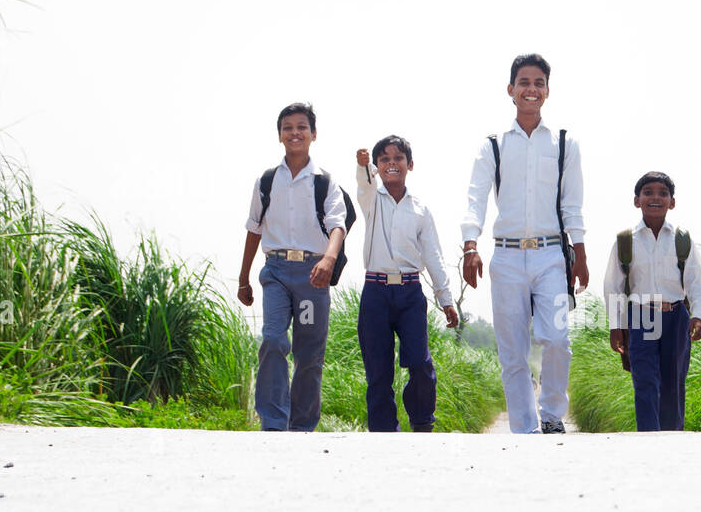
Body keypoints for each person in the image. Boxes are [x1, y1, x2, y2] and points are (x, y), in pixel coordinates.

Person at [461, 53, 588, 434]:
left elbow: (572, 202)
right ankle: (524, 429)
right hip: (507, 257)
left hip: (552, 255)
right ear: (511, 90)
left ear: (547, 91)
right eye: (524, 83)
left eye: (538, 83)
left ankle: (551, 416)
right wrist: (470, 245)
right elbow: (475, 197)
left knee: (558, 339)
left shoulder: (564, 143)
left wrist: (579, 255)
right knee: (512, 352)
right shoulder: (493, 146)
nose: (531, 90)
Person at [237, 102, 347, 431]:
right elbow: (254, 228)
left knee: (308, 352)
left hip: (312, 278)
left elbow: (337, 226)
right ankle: (273, 423)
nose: (295, 132)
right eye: (288, 127)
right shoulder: (267, 181)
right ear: (280, 136)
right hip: (277, 275)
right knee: (273, 339)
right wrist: (243, 278)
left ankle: (301, 427)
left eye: (302, 127)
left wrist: (328, 259)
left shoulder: (325, 183)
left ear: (313, 134)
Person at [354, 136, 459, 432]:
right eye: (384, 159)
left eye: (398, 158)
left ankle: (422, 423)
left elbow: (433, 255)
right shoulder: (372, 199)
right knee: (378, 372)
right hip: (376, 291)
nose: (391, 164)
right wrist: (362, 166)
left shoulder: (420, 209)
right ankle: (384, 432)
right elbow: (364, 184)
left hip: (411, 293)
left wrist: (446, 299)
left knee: (421, 365)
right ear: (377, 167)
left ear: (410, 165)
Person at [603, 171, 701, 431]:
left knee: (674, 382)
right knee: (645, 380)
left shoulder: (681, 239)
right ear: (636, 200)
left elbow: (697, 280)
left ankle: (672, 438)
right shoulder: (625, 240)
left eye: (663, 193)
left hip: (676, 315)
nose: (655, 198)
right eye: (648, 192)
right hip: (641, 316)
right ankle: (648, 439)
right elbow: (613, 286)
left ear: (672, 202)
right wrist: (616, 326)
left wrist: (698, 315)